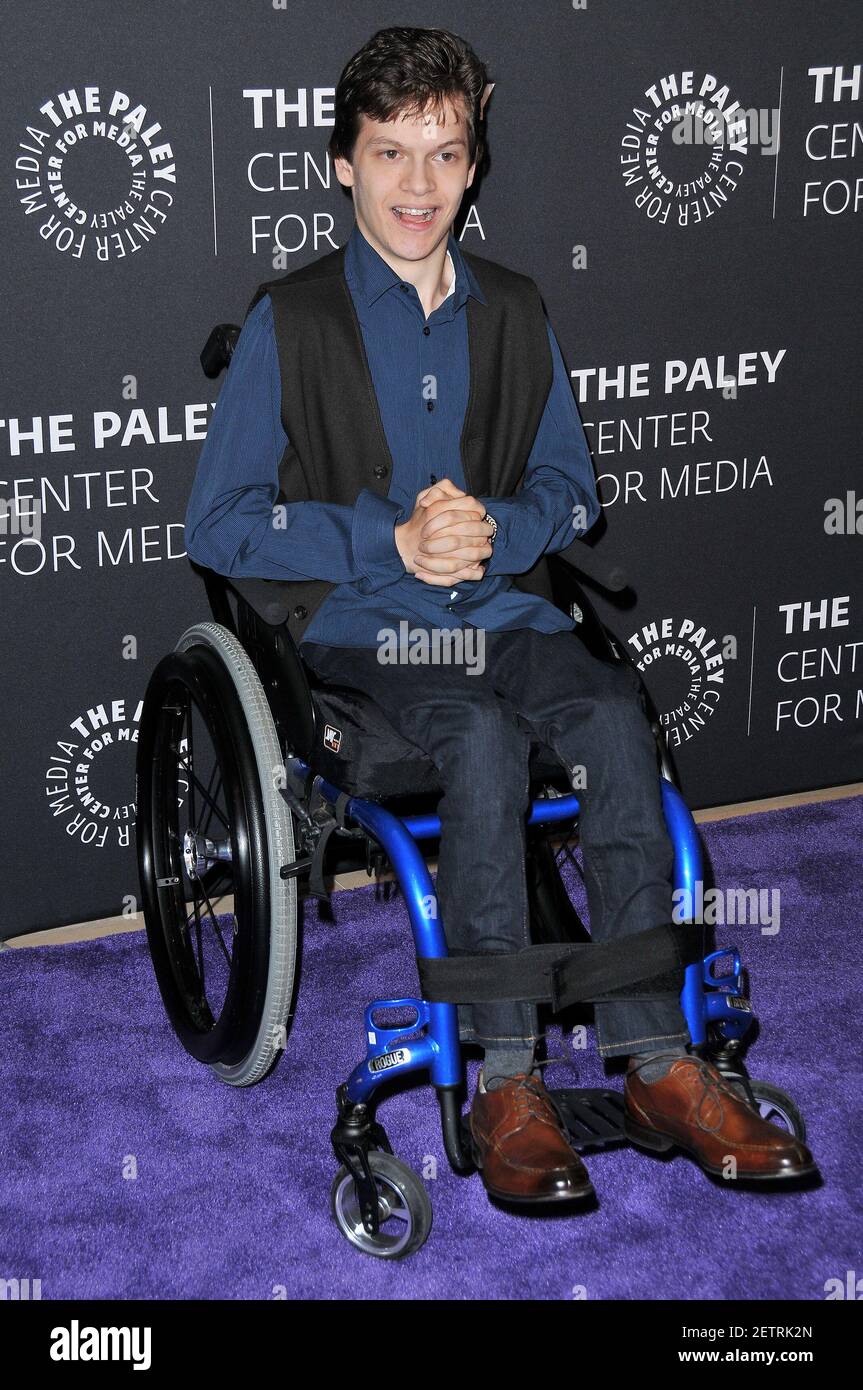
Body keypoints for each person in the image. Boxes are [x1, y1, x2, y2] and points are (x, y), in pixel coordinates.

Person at [185, 26, 818, 1203]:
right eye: (389, 154)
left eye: (443, 152)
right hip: (368, 631)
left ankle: (656, 1058)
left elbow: (569, 488)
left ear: (473, 164)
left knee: (618, 722)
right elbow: (216, 524)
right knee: (474, 741)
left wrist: (492, 525)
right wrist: (392, 536)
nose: (417, 186)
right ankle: (507, 1080)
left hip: (513, 613)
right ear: (341, 164)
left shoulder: (516, 310)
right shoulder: (294, 321)